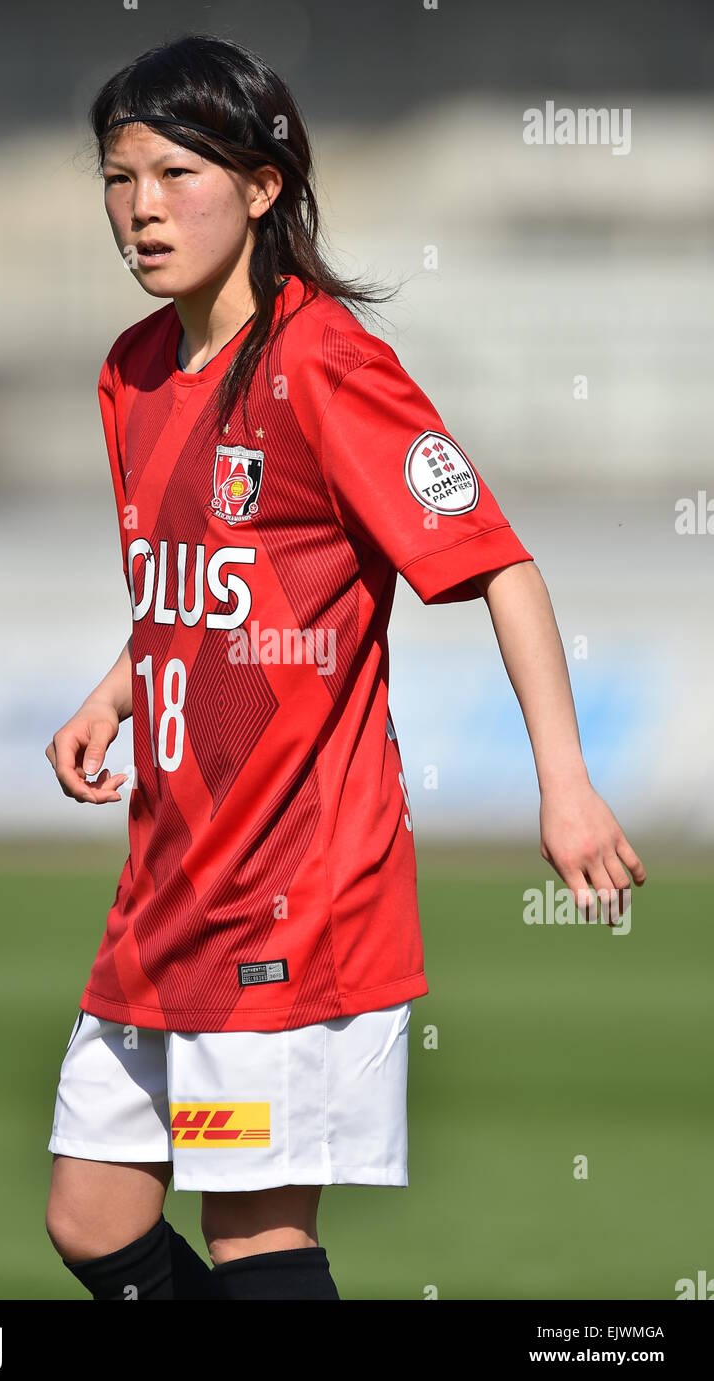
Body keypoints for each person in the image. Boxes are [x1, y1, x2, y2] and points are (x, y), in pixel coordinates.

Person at [43, 33, 646, 1301]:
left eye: (176, 172)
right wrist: (112, 692)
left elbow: (497, 564)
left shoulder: (327, 368)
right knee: (92, 1218)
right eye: (118, 177)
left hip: (289, 900)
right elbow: (206, 585)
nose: (141, 208)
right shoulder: (131, 370)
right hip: (168, 886)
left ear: (263, 187)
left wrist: (564, 782)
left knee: (253, 1238)